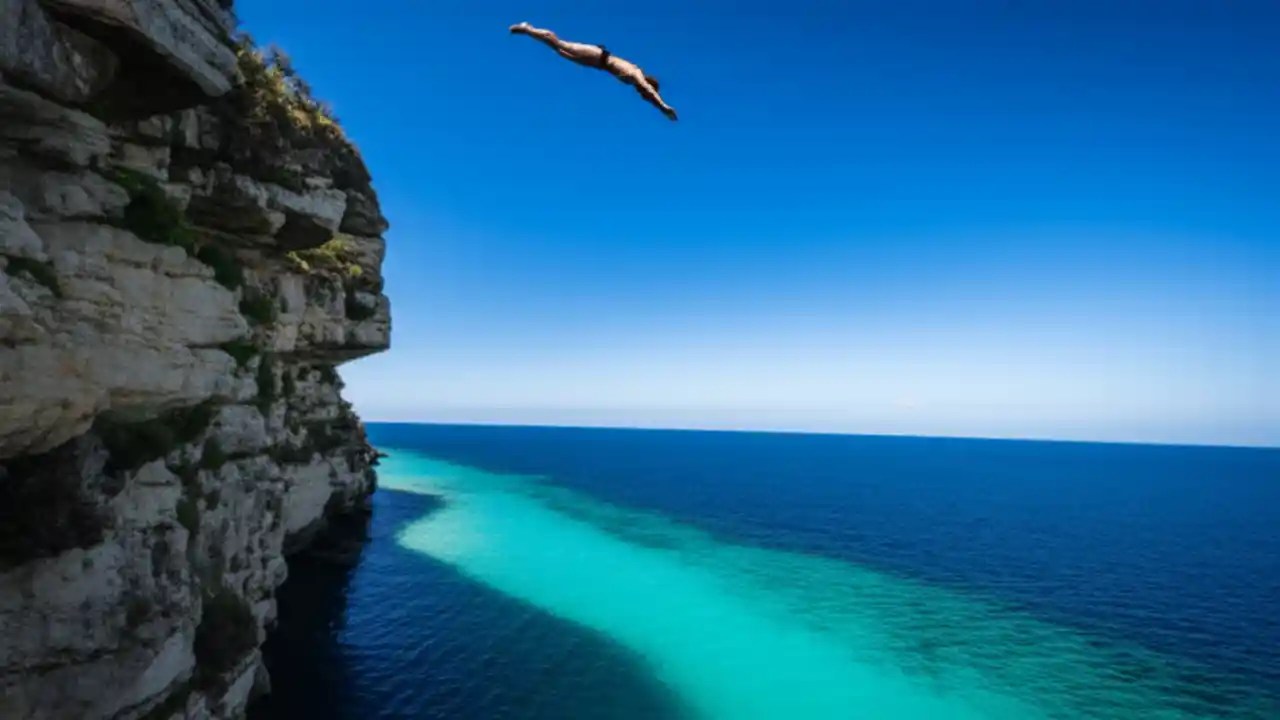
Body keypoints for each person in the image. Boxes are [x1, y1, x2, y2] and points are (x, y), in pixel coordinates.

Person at [510, 22, 678, 121]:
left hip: (597, 64)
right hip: (598, 55)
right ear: (649, 83)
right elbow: (648, 90)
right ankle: (528, 28)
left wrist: (660, 108)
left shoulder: (636, 83)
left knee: (559, 51)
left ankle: (530, 32)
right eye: (645, 91)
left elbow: (649, 96)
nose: (642, 93)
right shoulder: (636, 73)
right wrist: (664, 106)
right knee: (561, 44)